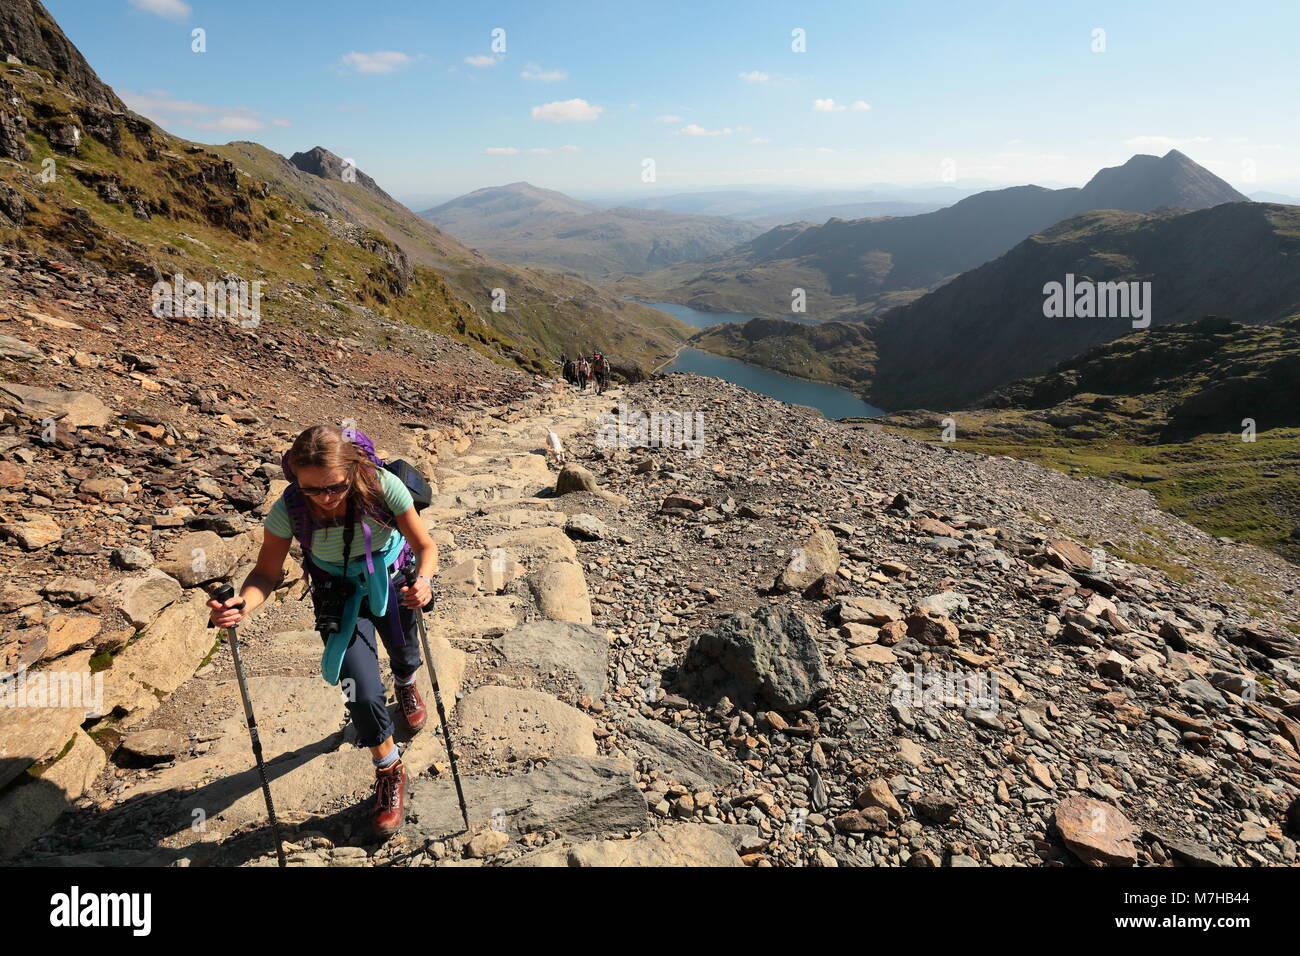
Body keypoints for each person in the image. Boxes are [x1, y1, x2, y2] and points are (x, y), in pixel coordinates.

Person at [206, 424, 439, 836]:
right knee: (360, 689)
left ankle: (405, 681)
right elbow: (265, 572)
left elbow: (425, 546)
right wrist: (243, 604)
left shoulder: (383, 487)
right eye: (311, 489)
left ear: (353, 471)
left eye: (333, 487)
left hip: (393, 577)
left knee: (404, 652)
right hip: (338, 593)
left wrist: (424, 580)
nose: (324, 498)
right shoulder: (289, 508)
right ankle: (389, 768)